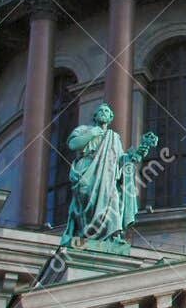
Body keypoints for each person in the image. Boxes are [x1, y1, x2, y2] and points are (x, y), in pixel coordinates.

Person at [60, 103, 158, 247]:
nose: (103, 113)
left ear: (111, 117)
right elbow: (73, 145)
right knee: (86, 197)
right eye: (100, 111)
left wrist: (137, 154)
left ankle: (112, 236)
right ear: (95, 116)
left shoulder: (114, 137)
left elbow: (120, 160)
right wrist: (92, 134)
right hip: (87, 171)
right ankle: (84, 234)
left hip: (108, 176)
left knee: (113, 200)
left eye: (107, 111)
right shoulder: (85, 130)